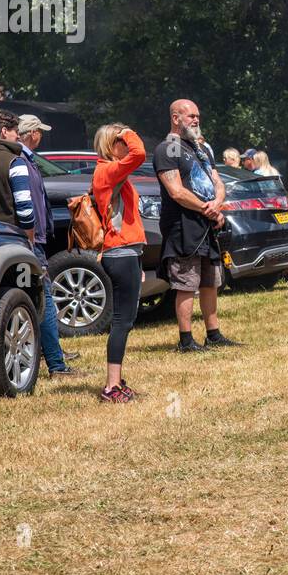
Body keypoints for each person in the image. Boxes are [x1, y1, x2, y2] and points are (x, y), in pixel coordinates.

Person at [0, 109, 78, 378]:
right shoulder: (15, 163)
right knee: (42, 298)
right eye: (14, 131)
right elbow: (25, 211)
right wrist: (29, 243)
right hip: (17, 244)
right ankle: (57, 365)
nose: (17, 136)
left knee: (1, 306)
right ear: (4, 132)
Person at [154, 99, 241, 351]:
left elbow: (218, 182)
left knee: (210, 280)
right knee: (186, 283)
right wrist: (209, 210)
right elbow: (176, 191)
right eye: (190, 115)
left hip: (207, 224)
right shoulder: (169, 148)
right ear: (175, 118)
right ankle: (186, 340)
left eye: (197, 116)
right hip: (183, 225)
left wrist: (217, 204)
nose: (196, 120)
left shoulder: (201, 149)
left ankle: (213, 334)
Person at [16, 114, 77, 371]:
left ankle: (50, 353)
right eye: (39, 131)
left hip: (33, 239)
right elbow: (27, 205)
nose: (41, 135)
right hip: (31, 241)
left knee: (38, 297)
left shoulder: (26, 160)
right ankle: (55, 362)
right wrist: (32, 238)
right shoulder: (21, 162)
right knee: (44, 298)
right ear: (32, 133)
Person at [92, 124, 148, 403]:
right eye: (119, 142)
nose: (125, 145)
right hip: (119, 252)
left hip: (128, 253)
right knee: (121, 322)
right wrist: (127, 130)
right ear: (110, 145)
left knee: (125, 320)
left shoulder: (115, 173)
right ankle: (111, 387)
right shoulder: (106, 171)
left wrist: (138, 262)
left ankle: (116, 381)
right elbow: (139, 154)